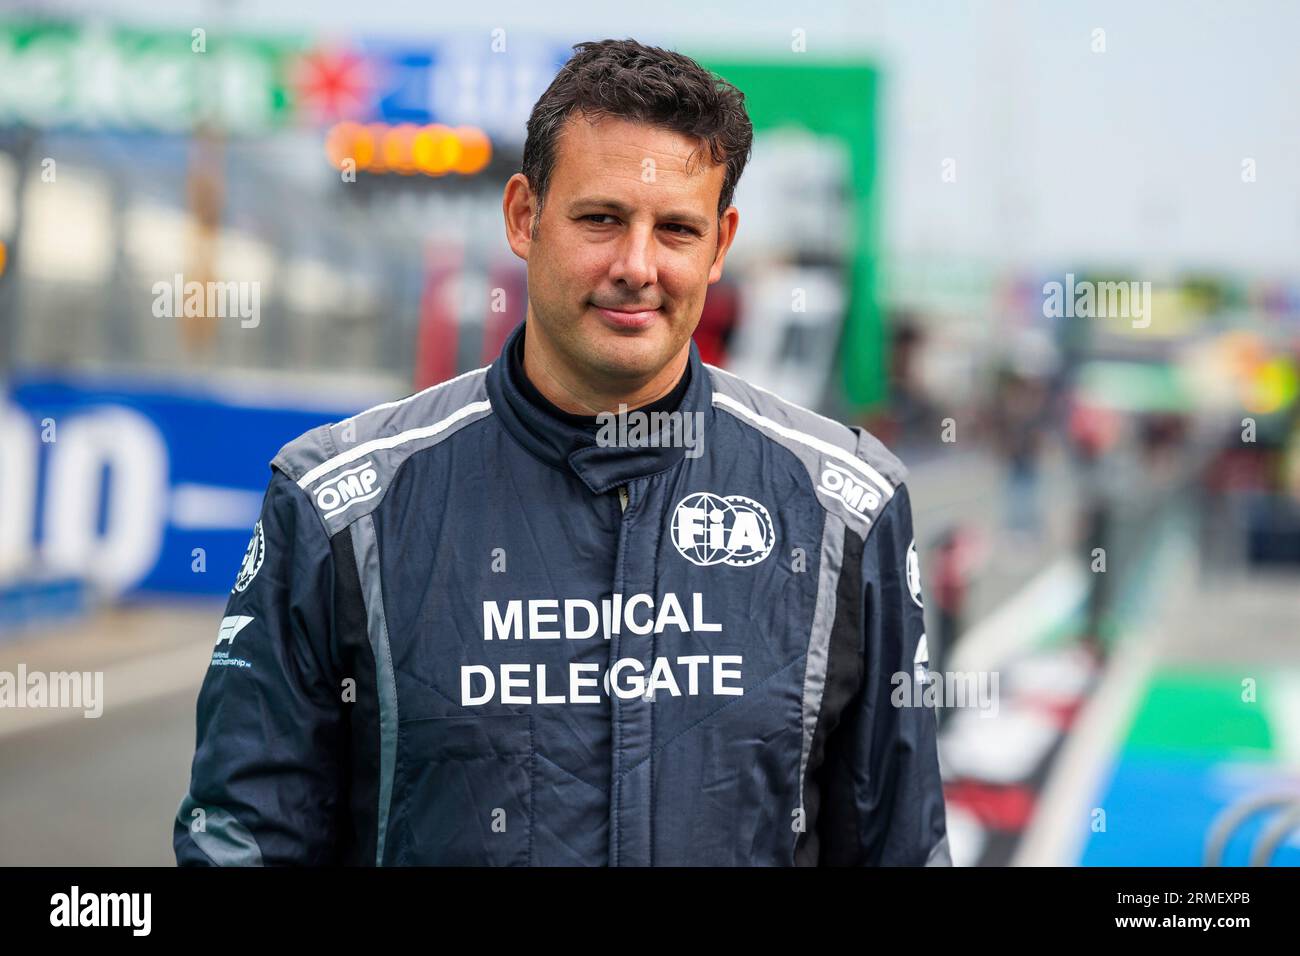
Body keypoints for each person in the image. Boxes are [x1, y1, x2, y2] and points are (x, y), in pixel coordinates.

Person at [174, 38, 950, 867]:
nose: (637, 266)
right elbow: (244, 843)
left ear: (720, 246)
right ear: (523, 216)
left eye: (676, 230)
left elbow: (898, 848)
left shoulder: (846, 507)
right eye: (601, 219)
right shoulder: (340, 504)